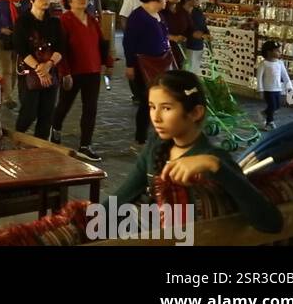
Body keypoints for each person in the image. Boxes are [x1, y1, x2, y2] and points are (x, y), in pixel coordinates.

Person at [113, 70, 283, 234]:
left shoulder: (214, 160)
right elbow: (123, 195)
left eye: (166, 108)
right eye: (152, 107)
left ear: (195, 112)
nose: (155, 117)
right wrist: (88, 219)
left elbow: (271, 222)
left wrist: (215, 165)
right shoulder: (155, 147)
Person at [49, 0, 112, 162]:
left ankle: (85, 145)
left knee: (90, 108)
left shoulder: (91, 20)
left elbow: (101, 42)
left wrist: (108, 62)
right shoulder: (64, 20)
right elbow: (61, 48)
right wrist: (65, 72)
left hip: (92, 70)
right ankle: (55, 128)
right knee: (64, 104)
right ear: (70, 0)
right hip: (73, 71)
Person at [122, 0, 172, 152]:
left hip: (161, 63)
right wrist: (130, 65)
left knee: (162, 100)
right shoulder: (138, 17)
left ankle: (160, 136)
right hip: (144, 65)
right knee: (147, 102)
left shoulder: (159, 15)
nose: (166, 0)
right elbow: (129, 42)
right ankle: (140, 139)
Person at [13, 0, 64, 140]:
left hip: (50, 71)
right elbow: (21, 49)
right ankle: (18, 138)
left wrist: (48, 65)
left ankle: (40, 146)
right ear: (32, 0)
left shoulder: (54, 22)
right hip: (29, 71)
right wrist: (39, 68)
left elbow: (61, 47)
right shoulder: (23, 21)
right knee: (29, 112)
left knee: (47, 113)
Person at [257, 40, 292, 131]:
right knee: (272, 106)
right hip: (268, 90)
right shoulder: (263, 64)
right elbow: (259, 78)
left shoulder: (280, 63)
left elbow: (285, 75)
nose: (279, 52)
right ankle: (270, 122)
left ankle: (265, 113)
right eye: (277, 51)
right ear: (269, 52)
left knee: (277, 106)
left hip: (277, 88)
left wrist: (289, 87)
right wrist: (260, 90)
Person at [160, 0, 191, 68]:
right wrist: (173, 37)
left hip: (181, 48)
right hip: (166, 49)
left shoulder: (182, 11)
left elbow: (189, 26)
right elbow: (157, 32)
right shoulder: (161, 12)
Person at [181, 0, 209, 75]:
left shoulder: (197, 11)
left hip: (198, 46)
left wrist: (207, 34)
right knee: (185, 71)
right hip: (185, 46)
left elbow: (203, 25)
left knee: (194, 71)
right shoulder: (179, 13)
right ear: (186, 0)